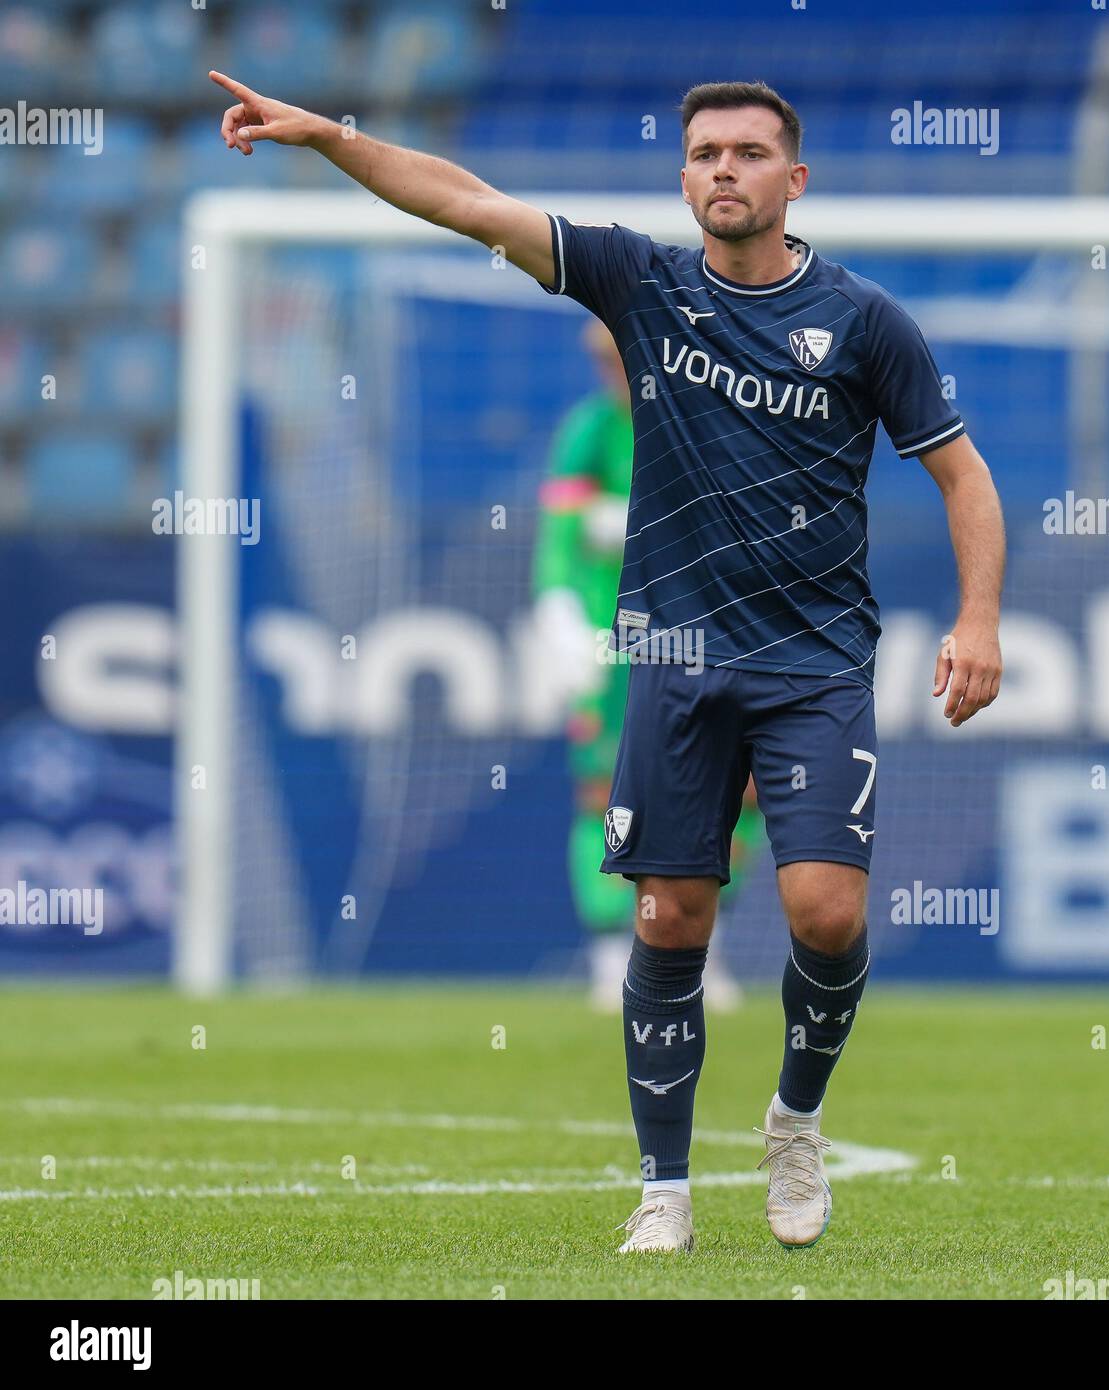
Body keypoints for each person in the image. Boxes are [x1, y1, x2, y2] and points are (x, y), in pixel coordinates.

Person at [209, 72, 1005, 1253]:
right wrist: (332, 137)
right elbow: (470, 205)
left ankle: (795, 1119)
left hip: (816, 661)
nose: (723, 170)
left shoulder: (864, 321)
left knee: (824, 913)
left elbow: (963, 475)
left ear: (795, 179)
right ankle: (665, 1188)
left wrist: (978, 621)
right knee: (672, 917)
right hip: (674, 663)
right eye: (703, 154)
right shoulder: (640, 282)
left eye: (746, 152)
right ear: (681, 177)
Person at [531, 319, 761, 1012]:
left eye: (623, 358)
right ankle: (611, 956)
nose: (615, 375)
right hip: (615, 644)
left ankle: (700, 954)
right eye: (605, 361)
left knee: (733, 795)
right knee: (607, 796)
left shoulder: (717, 425)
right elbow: (558, 539)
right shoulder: (590, 431)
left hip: (712, 637)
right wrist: (557, 612)